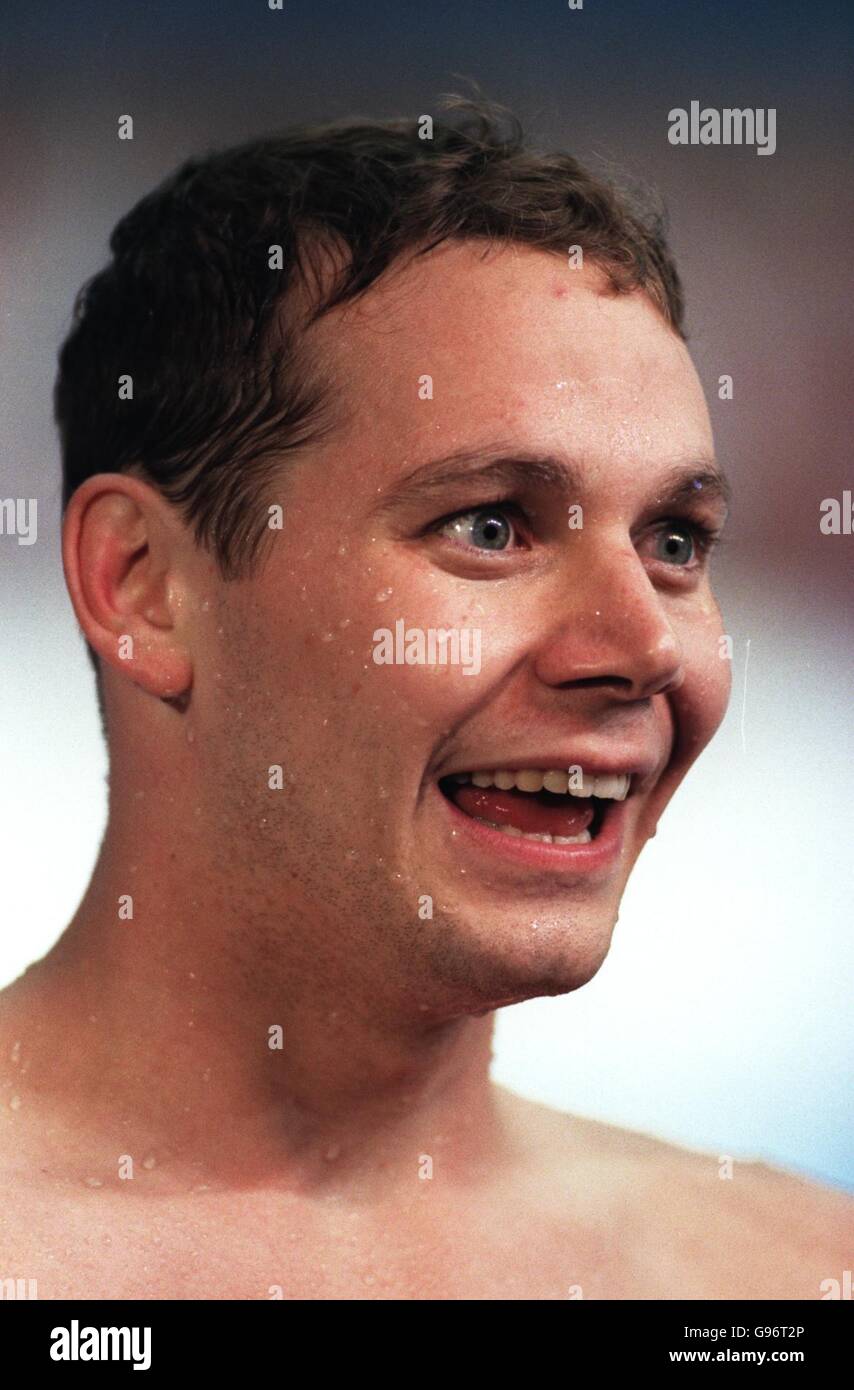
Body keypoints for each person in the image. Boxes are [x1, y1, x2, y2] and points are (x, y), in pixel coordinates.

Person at [1, 96, 850, 1300]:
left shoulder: (787, 1283)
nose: (639, 647)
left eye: (673, 539)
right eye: (491, 526)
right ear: (143, 586)